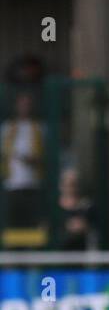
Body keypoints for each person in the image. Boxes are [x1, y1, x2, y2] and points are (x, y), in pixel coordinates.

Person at [1, 91, 45, 237]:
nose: (24, 107)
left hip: (32, 184)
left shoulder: (38, 128)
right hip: (12, 184)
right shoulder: (7, 128)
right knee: (13, 226)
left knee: (31, 226)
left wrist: (30, 159)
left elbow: (42, 156)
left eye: (27, 105)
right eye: (21, 104)